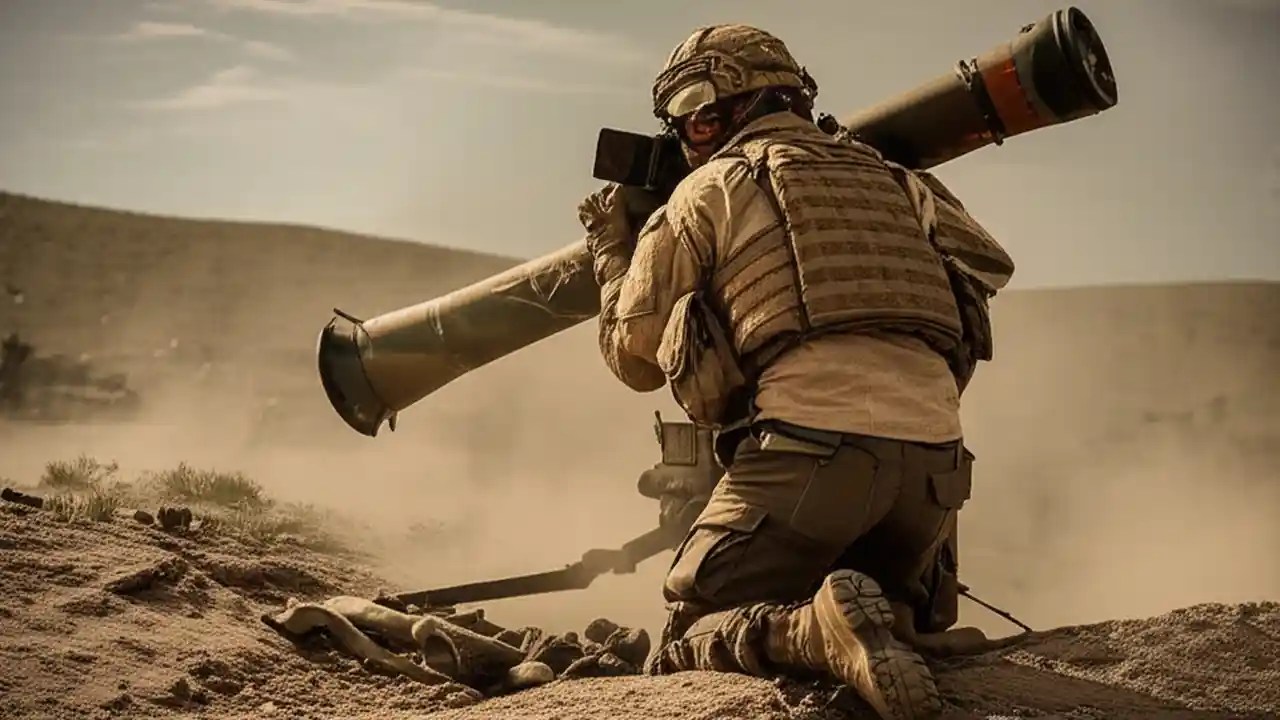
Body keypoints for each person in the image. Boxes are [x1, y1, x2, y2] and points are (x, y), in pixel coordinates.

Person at [577, 24, 1015, 720]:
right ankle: (898, 626)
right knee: (879, 599)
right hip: (934, 477)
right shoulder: (899, 180)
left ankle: (813, 633)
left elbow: (633, 356)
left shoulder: (709, 189)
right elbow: (990, 264)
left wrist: (611, 251)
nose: (687, 139)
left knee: (691, 628)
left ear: (717, 113)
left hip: (807, 462)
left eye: (692, 122)